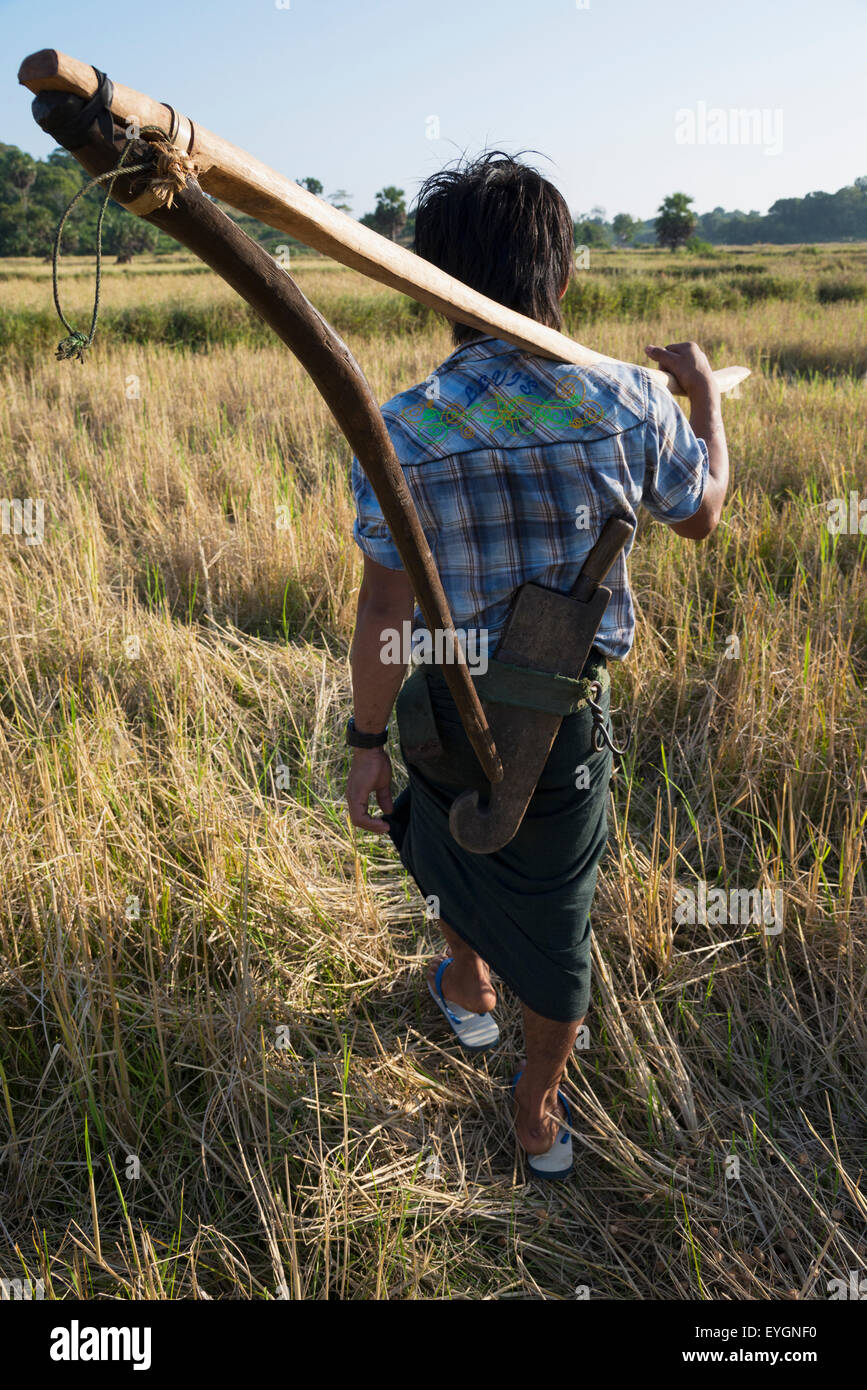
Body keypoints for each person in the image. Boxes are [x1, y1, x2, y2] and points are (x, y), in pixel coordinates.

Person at [345, 152, 729, 1179]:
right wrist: (705, 403)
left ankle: (468, 988)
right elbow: (702, 517)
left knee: (440, 844)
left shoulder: (401, 428)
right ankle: (533, 1106)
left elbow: (385, 607)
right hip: (557, 729)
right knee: (560, 929)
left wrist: (365, 742)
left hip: (436, 704)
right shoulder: (632, 403)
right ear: (557, 274)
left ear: (438, 281)